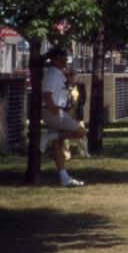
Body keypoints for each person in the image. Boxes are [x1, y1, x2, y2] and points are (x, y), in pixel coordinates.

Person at [38, 47, 87, 187]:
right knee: (80, 132)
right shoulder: (52, 74)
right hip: (52, 111)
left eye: (65, 60)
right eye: (61, 60)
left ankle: (64, 177)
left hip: (55, 110)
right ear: (53, 60)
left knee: (58, 144)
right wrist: (56, 112)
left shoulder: (59, 74)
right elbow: (46, 96)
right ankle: (48, 136)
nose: (64, 62)